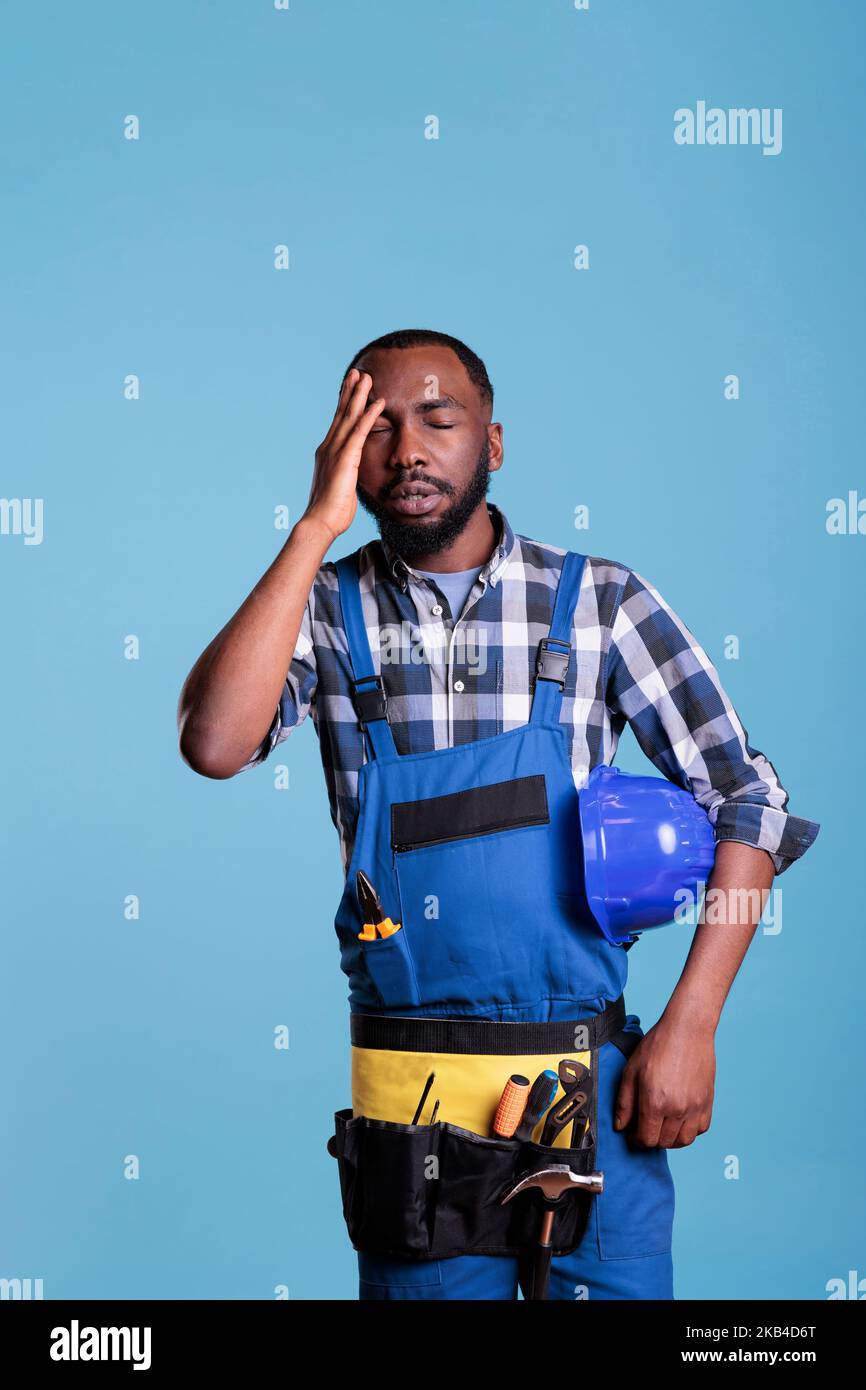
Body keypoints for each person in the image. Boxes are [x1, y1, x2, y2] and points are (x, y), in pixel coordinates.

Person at [177, 329, 819, 1300]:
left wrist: (693, 1022)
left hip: (587, 1096)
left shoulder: (598, 602)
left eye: (438, 419)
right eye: (375, 428)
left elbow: (749, 801)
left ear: (493, 442)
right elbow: (213, 742)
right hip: (413, 1125)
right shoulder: (319, 609)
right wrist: (313, 526)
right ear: (343, 452)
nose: (407, 450)